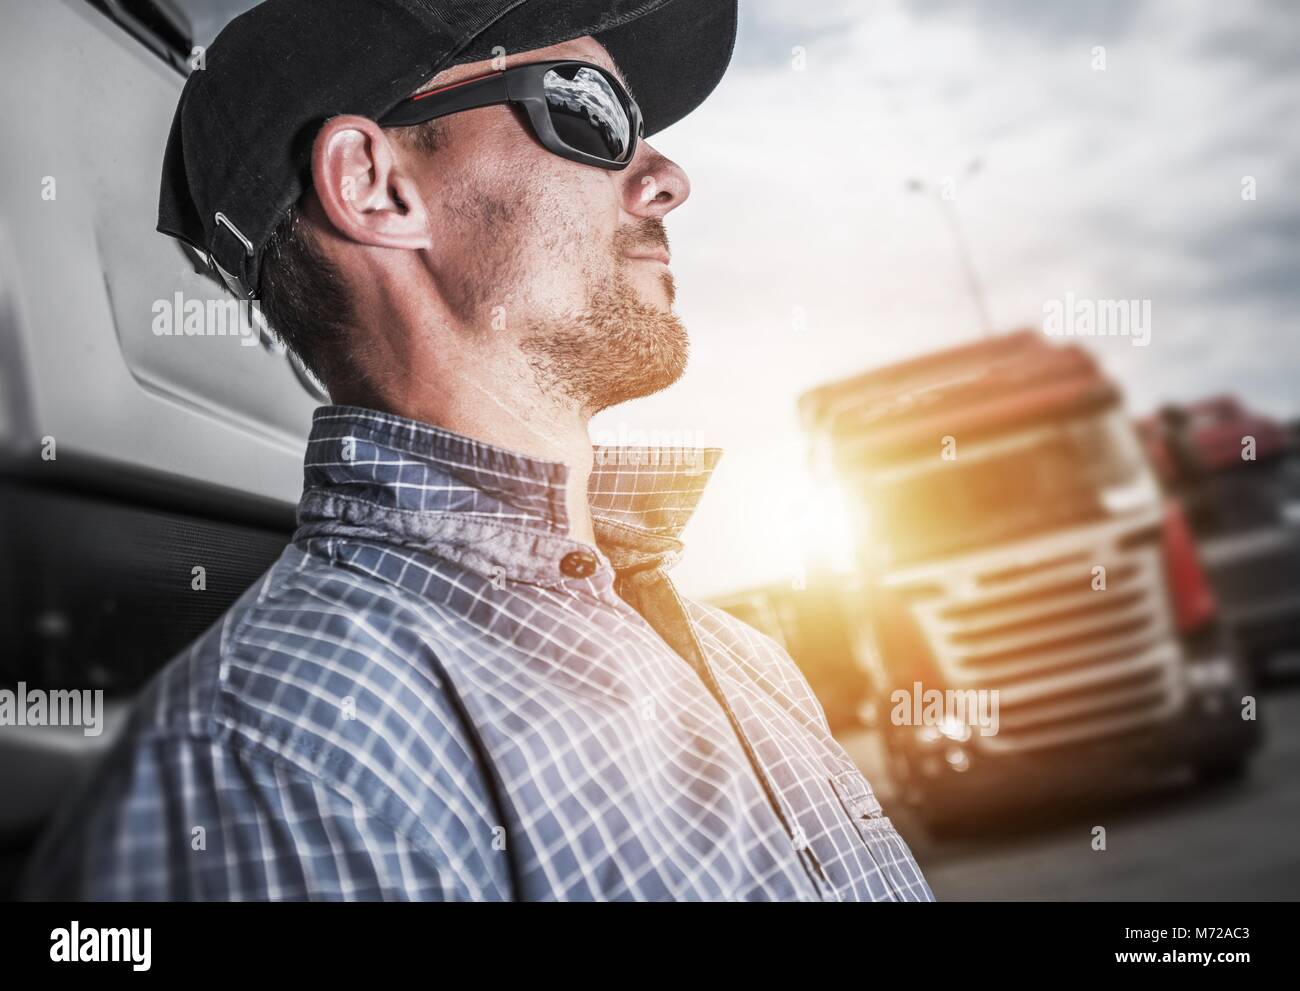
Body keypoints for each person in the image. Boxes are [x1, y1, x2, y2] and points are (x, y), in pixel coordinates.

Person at [22, 0, 933, 902]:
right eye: (591, 112)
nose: (666, 179)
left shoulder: (745, 663)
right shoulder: (280, 768)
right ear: (375, 188)